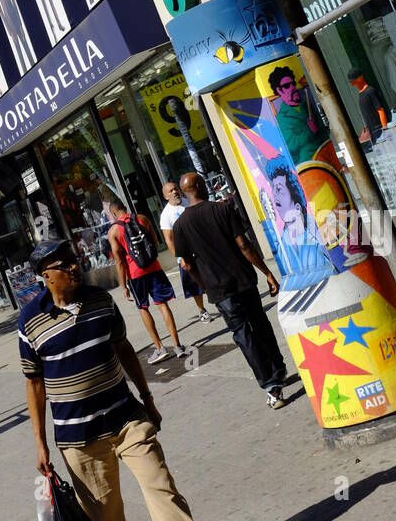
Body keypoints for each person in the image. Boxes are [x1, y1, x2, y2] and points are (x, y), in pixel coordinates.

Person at [20, 239, 241, 521]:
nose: (74, 267)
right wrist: (39, 443)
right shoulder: (29, 322)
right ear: (45, 276)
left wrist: (147, 396)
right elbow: (35, 384)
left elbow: (124, 350)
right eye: (63, 264)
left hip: (127, 419)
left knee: (164, 492)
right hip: (78, 440)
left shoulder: (100, 302)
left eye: (75, 260)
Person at [174, 173, 287, 410]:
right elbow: (244, 245)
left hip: (220, 290)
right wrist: (267, 272)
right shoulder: (222, 209)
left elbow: (187, 264)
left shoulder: (180, 226)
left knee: (243, 335)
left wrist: (204, 287)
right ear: (199, 187)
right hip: (244, 279)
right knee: (260, 324)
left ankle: (271, 386)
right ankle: (278, 369)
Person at [107, 198, 188, 364]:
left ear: (114, 213)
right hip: (154, 268)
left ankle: (160, 348)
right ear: (124, 206)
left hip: (135, 274)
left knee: (143, 307)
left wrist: (123, 286)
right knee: (163, 305)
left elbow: (119, 261)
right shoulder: (142, 218)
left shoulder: (114, 231)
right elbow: (155, 242)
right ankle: (177, 346)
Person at [159, 181, 211, 323]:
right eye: (170, 191)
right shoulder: (166, 215)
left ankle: (221, 301)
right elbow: (169, 239)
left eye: (175, 189)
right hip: (186, 254)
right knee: (195, 285)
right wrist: (180, 257)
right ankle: (202, 310)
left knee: (211, 276)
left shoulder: (189, 202)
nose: (174, 192)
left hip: (202, 248)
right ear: (165, 197)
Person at [268, 65, 326, 165]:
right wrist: (309, 131)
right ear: (279, 90)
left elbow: (322, 127)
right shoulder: (282, 118)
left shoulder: (306, 105)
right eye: (287, 86)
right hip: (309, 162)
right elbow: (291, 145)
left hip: (325, 150)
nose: (292, 88)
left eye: (293, 84)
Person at [348, 69, 388, 146]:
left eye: (354, 81)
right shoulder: (361, 94)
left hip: (379, 128)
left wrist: (385, 128)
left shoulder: (370, 91)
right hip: (371, 131)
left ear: (360, 78)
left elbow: (380, 109)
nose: (353, 84)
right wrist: (365, 128)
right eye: (351, 82)